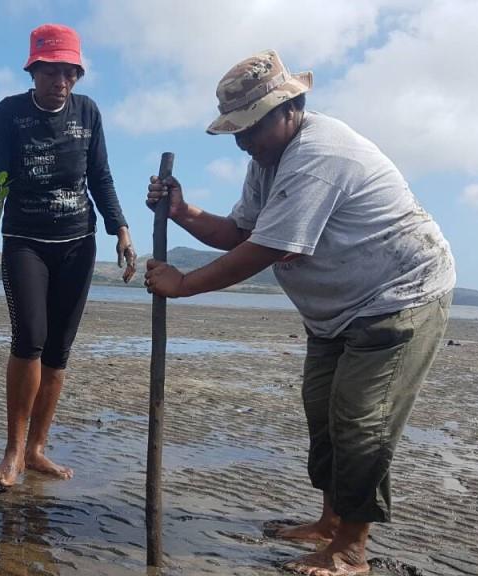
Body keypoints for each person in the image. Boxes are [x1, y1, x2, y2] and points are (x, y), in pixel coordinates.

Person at [144, 50, 455, 575]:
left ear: (289, 109)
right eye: (236, 131)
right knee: (325, 415)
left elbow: (267, 248)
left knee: (361, 422)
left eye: (249, 129)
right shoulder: (267, 162)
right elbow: (240, 232)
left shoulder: (320, 154)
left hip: (399, 297)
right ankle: (330, 523)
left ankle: (352, 550)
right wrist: (184, 212)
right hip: (335, 313)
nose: (242, 142)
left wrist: (185, 285)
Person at [0, 23, 136, 489]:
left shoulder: (89, 113)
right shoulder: (9, 114)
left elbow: (100, 176)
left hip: (78, 244)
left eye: (69, 72)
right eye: (50, 72)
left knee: (59, 350)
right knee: (31, 340)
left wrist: (119, 229)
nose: (60, 81)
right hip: (25, 241)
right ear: (34, 70)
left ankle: (38, 448)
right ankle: (14, 452)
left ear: (77, 75)